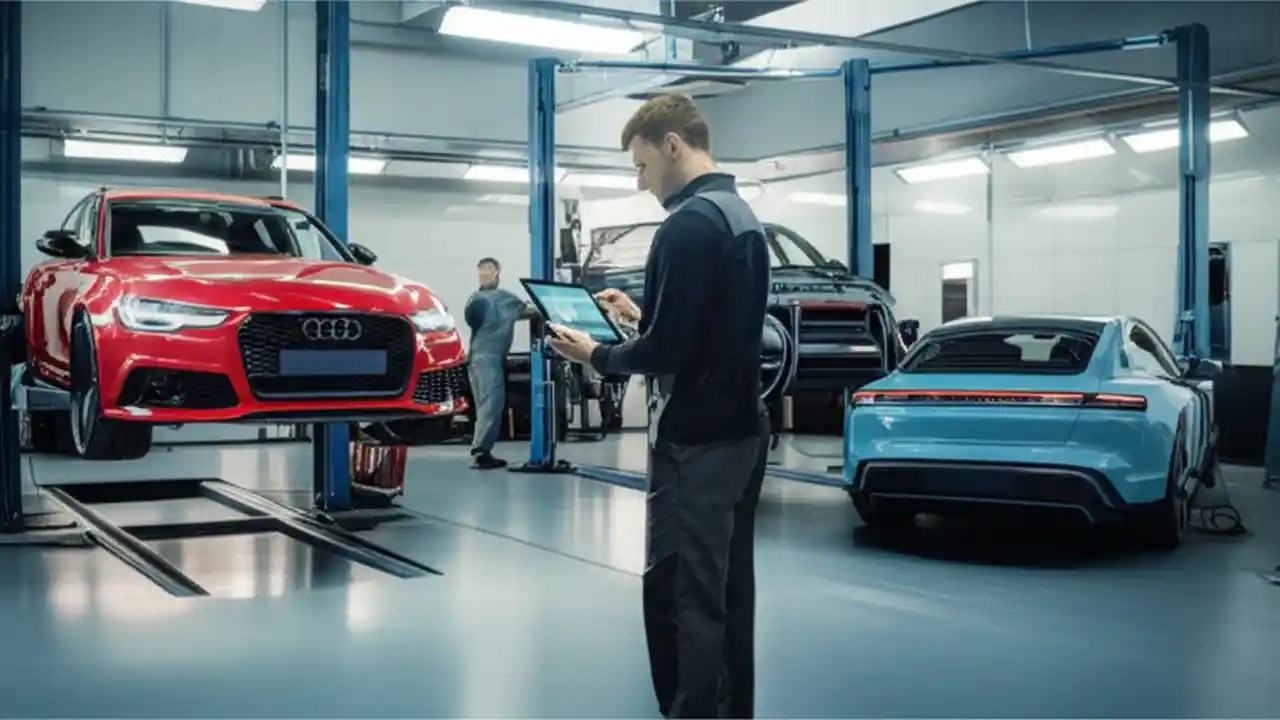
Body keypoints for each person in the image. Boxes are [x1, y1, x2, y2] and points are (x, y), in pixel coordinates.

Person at [546, 93, 771, 718]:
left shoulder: (687, 225)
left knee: (684, 595)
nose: (641, 182)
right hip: (743, 430)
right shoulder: (739, 216)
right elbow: (712, 334)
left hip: (696, 442)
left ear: (673, 145)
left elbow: (668, 352)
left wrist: (594, 353)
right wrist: (642, 317)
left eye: (642, 166)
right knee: (729, 588)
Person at [463, 257, 535, 469]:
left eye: (488, 268)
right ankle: (481, 452)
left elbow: (525, 311)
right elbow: (532, 310)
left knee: (486, 404)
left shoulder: (482, 299)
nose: (484, 272)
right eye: (481, 269)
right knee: (490, 404)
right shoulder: (496, 299)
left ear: (496, 273)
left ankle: (481, 449)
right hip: (487, 359)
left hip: (477, 358)